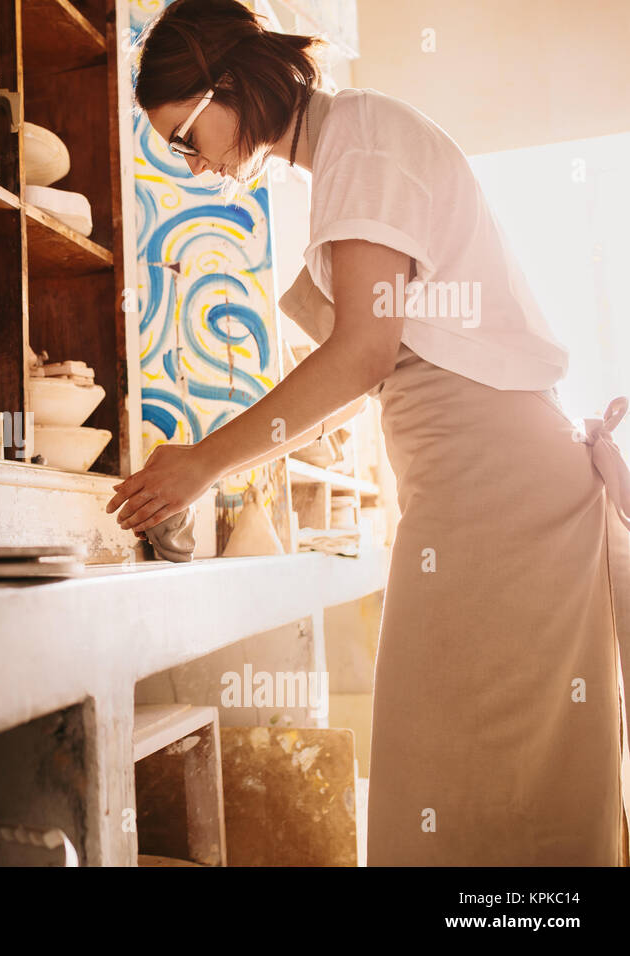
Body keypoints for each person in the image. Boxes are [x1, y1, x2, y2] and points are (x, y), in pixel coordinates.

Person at [108, 0, 630, 865]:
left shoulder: (361, 142)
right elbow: (374, 369)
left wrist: (201, 462)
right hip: (482, 481)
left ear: (230, 85)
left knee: (471, 770)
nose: (192, 163)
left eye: (185, 136)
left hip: (499, 493)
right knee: (463, 765)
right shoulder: (346, 147)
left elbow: (360, 354)